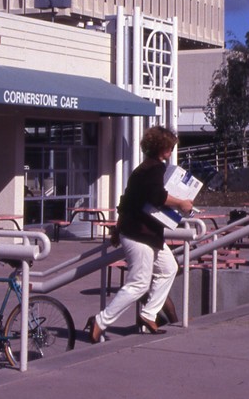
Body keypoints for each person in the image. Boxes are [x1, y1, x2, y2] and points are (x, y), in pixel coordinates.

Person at [86, 126, 194, 342]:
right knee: (139, 283)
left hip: (144, 233)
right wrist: (182, 203)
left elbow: (127, 201)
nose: (171, 152)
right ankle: (100, 321)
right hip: (140, 234)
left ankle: (148, 314)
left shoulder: (143, 169)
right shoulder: (154, 169)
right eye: (169, 147)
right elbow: (157, 196)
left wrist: (117, 228)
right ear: (160, 147)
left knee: (169, 268)